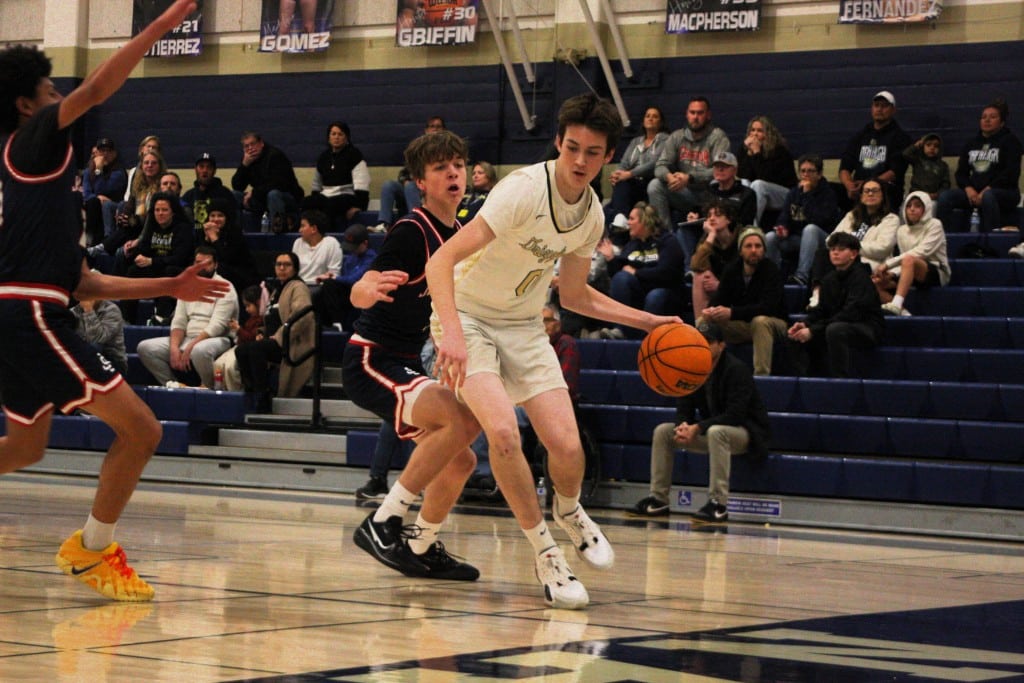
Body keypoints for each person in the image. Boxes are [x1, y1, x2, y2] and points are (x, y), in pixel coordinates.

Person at [0, 0, 229, 602]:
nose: (61, 95)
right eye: (51, 88)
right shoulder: (33, 140)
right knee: (143, 431)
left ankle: (90, 548)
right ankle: (90, 550)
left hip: (25, 306)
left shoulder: (38, 178)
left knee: (25, 447)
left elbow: (85, 284)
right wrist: (161, 24)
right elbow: (101, 84)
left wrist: (170, 285)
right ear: (26, 103)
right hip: (27, 313)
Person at [426, 94, 682, 609]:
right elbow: (441, 261)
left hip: (523, 325)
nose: (580, 161)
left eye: (592, 152)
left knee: (567, 449)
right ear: (558, 143)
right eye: (571, 148)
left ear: (609, 156)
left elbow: (574, 296)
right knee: (501, 433)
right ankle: (546, 554)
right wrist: (450, 333)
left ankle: (569, 510)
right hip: (469, 319)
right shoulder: (521, 190)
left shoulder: (591, 215)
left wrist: (648, 321)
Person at [344, 130, 482, 581]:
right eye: (441, 167)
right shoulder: (411, 230)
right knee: (461, 421)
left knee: (462, 458)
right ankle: (384, 521)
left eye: (458, 165)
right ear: (421, 181)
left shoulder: (461, 232)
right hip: (371, 359)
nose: (453, 173)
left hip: (404, 358)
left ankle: (421, 544)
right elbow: (367, 286)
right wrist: (363, 290)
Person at [632, 320, 770, 521]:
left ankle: (718, 504)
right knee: (663, 431)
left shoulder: (736, 369)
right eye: (700, 340)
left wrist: (698, 427)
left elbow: (735, 415)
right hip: (713, 433)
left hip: (746, 434)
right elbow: (684, 407)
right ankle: (658, 499)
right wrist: (683, 426)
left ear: (721, 345)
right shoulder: (690, 368)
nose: (703, 345)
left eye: (709, 341)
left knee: (717, 432)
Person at [136, 246, 238, 388]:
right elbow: (179, 320)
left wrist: (190, 347)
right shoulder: (187, 286)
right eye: (198, 263)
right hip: (188, 337)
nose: (201, 267)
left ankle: (210, 388)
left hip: (217, 339)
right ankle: (173, 384)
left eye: (207, 263)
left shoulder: (225, 287)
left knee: (199, 351)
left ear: (216, 265)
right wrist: (174, 348)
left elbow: (218, 326)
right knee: (145, 347)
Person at [788, 232, 884, 378]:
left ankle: (840, 380)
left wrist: (814, 330)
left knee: (835, 329)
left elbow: (851, 314)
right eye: (832, 249)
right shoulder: (829, 279)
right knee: (796, 333)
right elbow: (821, 310)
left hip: (867, 327)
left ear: (853, 254)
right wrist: (805, 323)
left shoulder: (861, 278)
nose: (835, 252)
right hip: (839, 323)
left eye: (840, 249)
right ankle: (806, 380)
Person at [648, 96, 731, 263]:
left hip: (710, 195)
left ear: (708, 115)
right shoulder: (677, 137)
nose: (695, 117)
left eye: (700, 113)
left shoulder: (718, 137)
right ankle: (666, 238)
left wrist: (690, 177)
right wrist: (670, 177)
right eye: (692, 113)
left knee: (717, 183)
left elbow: (719, 172)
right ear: (687, 114)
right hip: (685, 194)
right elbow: (660, 166)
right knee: (655, 185)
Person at [700, 227, 787, 376]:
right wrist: (710, 311)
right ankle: (704, 373)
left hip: (776, 325)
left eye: (758, 246)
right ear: (740, 250)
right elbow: (719, 298)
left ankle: (762, 377)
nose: (753, 250)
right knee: (703, 322)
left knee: (760, 322)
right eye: (748, 246)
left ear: (764, 250)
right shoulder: (732, 269)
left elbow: (768, 308)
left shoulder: (772, 270)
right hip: (745, 325)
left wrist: (732, 313)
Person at [235, 251, 315, 410]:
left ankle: (263, 396)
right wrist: (261, 332)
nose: (282, 268)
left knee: (256, 349)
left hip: (292, 343)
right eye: (278, 264)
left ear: (295, 268)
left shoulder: (298, 287)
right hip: (274, 340)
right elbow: (270, 319)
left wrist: (278, 337)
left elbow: (303, 316)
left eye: (287, 264)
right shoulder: (277, 290)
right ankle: (252, 392)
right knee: (241, 350)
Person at [595, 201, 686, 339]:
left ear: (645, 221)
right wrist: (611, 259)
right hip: (640, 291)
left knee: (655, 296)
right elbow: (619, 275)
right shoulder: (633, 244)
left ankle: (647, 338)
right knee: (621, 279)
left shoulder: (668, 241)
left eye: (632, 219)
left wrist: (637, 273)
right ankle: (620, 330)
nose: (628, 222)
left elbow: (667, 273)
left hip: (666, 291)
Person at [935, 98, 1023, 233]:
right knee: (945, 197)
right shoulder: (972, 143)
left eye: (992, 117)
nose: (987, 120)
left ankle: (991, 241)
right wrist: (968, 188)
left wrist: (988, 189)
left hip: (1005, 192)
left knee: (989, 197)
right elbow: (961, 173)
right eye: (984, 117)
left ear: (1002, 122)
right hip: (975, 193)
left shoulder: (1011, 142)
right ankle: (943, 239)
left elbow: (1010, 173)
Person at [764, 153, 841, 287]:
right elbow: (784, 216)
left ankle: (802, 276)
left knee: (809, 229)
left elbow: (819, 220)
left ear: (819, 174)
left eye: (811, 171)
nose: (806, 174)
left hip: (822, 238)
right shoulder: (793, 192)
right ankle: (772, 277)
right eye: (803, 171)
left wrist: (807, 195)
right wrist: (782, 227)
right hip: (797, 238)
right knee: (770, 236)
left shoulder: (828, 193)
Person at [121, 191, 196, 324]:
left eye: (164, 210)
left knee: (169, 272)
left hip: (176, 270)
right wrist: (134, 254)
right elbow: (144, 248)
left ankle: (161, 316)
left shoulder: (183, 229)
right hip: (156, 267)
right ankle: (127, 318)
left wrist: (151, 261)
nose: (160, 213)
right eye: (157, 210)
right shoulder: (152, 226)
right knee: (133, 270)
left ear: (173, 212)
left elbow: (180, 258)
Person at [873, 191, 950, 317]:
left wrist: (887, 264)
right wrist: (891, 273)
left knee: (909, 259)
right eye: (909, 206)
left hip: (936, 271)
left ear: (926, 208)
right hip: (909, 270)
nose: (912, 209)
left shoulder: (935, 225)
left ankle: (896, 304)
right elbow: (904, 261)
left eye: (917, 206)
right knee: (875, 281)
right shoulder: (902, 230)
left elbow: (921, 252)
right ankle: (904, 312)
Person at [838, 90, 912, 209]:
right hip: (858, 190)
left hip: (886, 191)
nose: (879, 109)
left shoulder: (901, 138)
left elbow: (895, 172)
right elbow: (845, 166)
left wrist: (867, 186)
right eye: (876, 105)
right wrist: (849, 185)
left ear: (893, 110)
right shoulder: (861, 135)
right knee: (831, 191)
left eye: (884, 106)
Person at [373, 115, 446, 231]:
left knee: (411, 186)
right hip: (414, 187)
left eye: (438, 126)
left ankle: (418, 222)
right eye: (432, 126)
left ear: (443, 130)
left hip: (432, 188)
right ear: (426, 130)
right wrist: (404, 180)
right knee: (389, 185)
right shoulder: (418, 149)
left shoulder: (446, 151)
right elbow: (404, 172)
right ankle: (384, 224)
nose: (435, 129)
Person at [604, 106, 670, 224]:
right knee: (607, 210)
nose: (650, 119)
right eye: (648, 116)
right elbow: (624, 163)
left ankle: (620, 220)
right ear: (643, 121)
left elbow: (655, 163)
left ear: (660, 122)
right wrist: (618, 174)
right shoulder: (636, 141)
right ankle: (621, 221)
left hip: (651, 182)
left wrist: (629, 174)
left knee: (613, 205)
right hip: (632, 183)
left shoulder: (665, 139)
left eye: (655, 117)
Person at [231, 131, 304, 233]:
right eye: (246, 146)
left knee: (273, 194)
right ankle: (235, 233)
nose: (250, 148)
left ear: (261, 143)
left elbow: (278, 183)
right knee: (234, 195)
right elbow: (237, 186)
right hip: (262, 198)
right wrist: (244, 165)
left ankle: (278, 232)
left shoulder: (275, 155)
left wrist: (254, 192)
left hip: (287, 197)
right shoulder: (248, 159)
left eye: (253, 144)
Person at [304, 121, 370, 228]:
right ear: (328, 137)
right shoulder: (323, 157)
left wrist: (360, 206)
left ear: (346, 137)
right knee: (307, 203)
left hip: (346, 195)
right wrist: (315, 198)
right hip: (326, 194)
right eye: (333, 134)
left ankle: (326, 234)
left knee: (331, 205)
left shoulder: (354, 155)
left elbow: (362, 183)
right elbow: (317, 184)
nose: (336, 137)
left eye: (340, 134)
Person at [738, 115, 797, 228]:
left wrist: (756, 153)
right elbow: (741, 174)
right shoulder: (749, 150)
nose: (755, 134)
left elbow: (765, 176)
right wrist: (746, 152)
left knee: (758, 184)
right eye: (753, 130)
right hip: (762, 194)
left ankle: (751, 227)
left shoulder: (779, 151)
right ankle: (744, 223)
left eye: (760, 131)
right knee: (745, 181)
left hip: (784, 194)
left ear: (768, 134)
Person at [317, 222, 377, 331]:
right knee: (320, 292)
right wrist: (334, 277)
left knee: (330, 284)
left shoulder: (372, 259)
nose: (352, 250)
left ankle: (337, 322)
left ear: (365, 243)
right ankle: (322, 323)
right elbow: (346, 277)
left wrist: (334, 278)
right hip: (349, 292)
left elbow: (355, 279)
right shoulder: (351, 258)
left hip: (362, 293)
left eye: (355, 246)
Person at [197, 197, 260, 295]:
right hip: (215, 272)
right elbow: (201, 256)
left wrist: (214, 239)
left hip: (240, 275)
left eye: (220, 216)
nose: (216, 219)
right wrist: (206, 240)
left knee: (221, 269)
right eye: (212, 215)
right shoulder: (204, 232)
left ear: (227, 217)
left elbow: (227, 258)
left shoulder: (235, 233)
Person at [690, 198, 740, 318]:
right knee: (700, 276)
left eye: (718, 215)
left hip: (741, 292)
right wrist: (711, 235)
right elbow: (695, 265)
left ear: (728, 219)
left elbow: (747, 275)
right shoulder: (708, 239)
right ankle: (702, 328)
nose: (712, 218)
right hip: (719, 292)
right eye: (709, 215)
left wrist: (721, 285)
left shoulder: (741, 237)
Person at [215, 285, 263, 391]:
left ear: (259, 302)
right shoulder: (251, 319)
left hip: (246, 348)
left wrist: (238, 329)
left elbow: (252, 338)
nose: (246, 309)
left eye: (249, 305)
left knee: (229, 368)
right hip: (238, 347)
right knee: (218, 364)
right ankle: (222, 392)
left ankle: (235, 392)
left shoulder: (262, 320)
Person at [81, 138, 128, 247]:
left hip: (113, 205)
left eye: (108, 151)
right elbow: (86, 193)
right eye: (102, 151)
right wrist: (97, 197)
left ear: (114, 153)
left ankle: (99, 242)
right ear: (96, 153)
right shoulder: (88, 171)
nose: (105, 154)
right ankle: (88, 239)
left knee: (98, 204)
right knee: (92, 202)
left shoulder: (119, 172)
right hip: (94, 206)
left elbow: (102, 189)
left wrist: (98, 169)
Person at [70, 297, 128, 379]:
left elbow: (98, 339)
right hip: (84, 360)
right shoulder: (73, 312)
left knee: (94, 346)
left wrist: (88, 310)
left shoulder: (111, 310)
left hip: (113, 362)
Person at [182, 152, 238, 232]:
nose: (205, 170)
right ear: (195, 169)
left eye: (209, 167)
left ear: (214, 171)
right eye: (201, 167)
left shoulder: (225, 194)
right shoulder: (188, 196)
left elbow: (233, 222)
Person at [698, 151, 756, 228]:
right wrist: (694, 217)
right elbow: (699, 215)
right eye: (716, 166)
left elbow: (745, 223)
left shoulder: (747, 194)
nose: (720, 169)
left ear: (735, 170)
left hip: (733, 235)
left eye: (725, 166)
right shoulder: (707, 192)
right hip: (706, 232)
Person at [291, 209, 342, 287]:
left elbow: (334, 274)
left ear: (314, 229)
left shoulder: (331, 243)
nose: (299, 230)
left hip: (320, 287)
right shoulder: (298, 242)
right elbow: (293, 269)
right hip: (299, 286)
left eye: (303, 226)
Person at [902, 133, 951, 200]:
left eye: (936, 146)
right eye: (928, 145)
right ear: (922, 147)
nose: (932, 148)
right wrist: (917, 145)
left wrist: (937, 194)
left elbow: (946, 185)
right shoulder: (918, 160)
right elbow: (905, 154)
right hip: (916, 194)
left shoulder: (943, 165)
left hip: (933, 197)